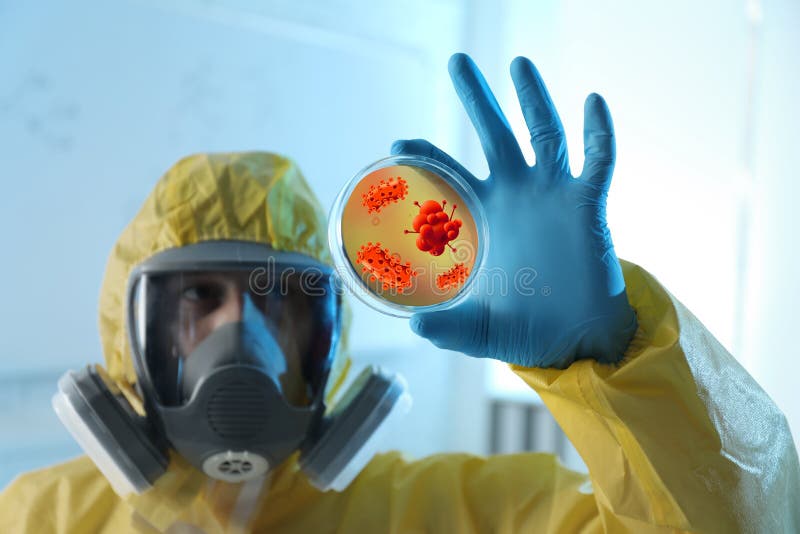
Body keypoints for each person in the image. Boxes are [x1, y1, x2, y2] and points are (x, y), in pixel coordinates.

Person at [1, 53, 798, 533]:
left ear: (330, 336)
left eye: (277, 302)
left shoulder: (447, 514)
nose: (238, 334)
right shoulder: (37, 518)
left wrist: (614, 357)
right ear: (127, 334)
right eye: (197, 301)